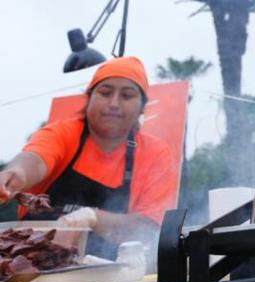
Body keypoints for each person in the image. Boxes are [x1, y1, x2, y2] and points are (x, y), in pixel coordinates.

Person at [0, 56, 177, 259]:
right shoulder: (64, 133)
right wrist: (15, 174)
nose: (114, 103)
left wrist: (92, 218)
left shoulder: (154, 153)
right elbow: (34, 159)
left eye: (127, 96)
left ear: (142, 107)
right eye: (105, 92)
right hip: (28, 265)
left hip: (106, 277)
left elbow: (148, 228)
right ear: (89, 97)